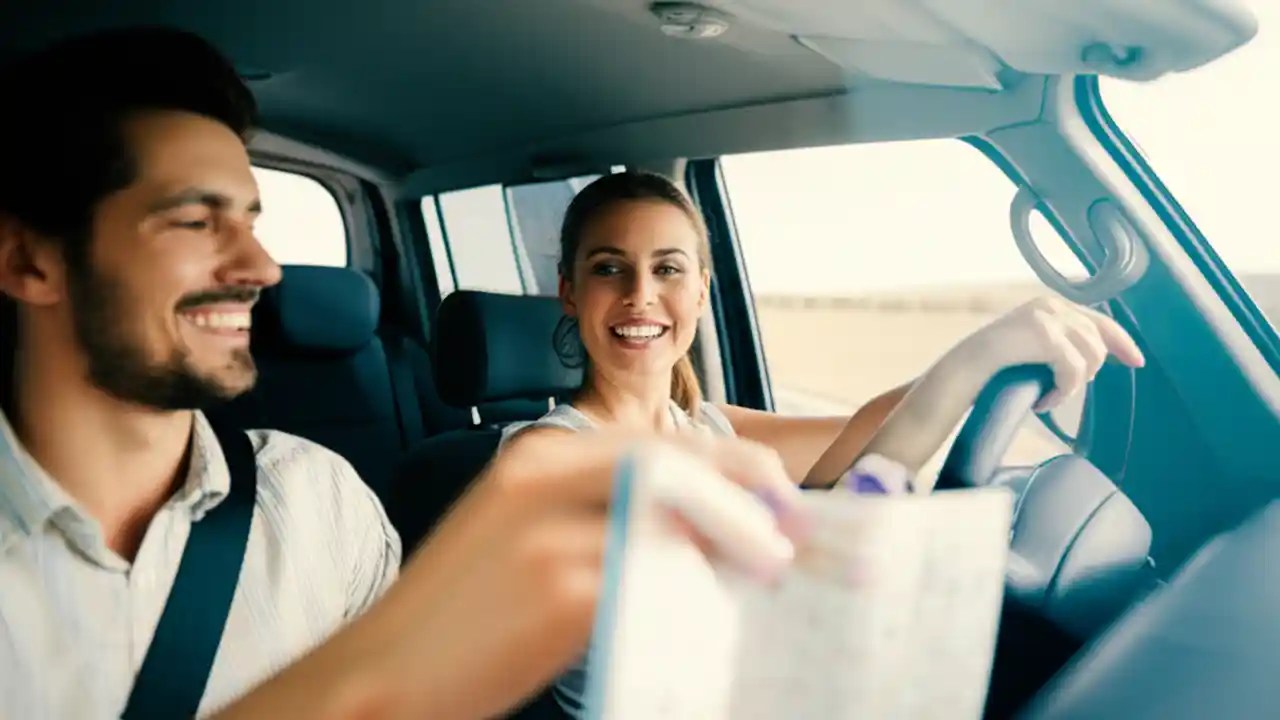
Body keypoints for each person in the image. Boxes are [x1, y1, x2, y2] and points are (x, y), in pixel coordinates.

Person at [0, 27, 804, 719]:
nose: (262, 267)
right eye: (192, 221)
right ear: (29, 260)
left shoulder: (321, 504)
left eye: (251, 221)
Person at [498, 170, 1148, 716]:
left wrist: (982, 356)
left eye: (667, 268)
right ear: (570, 291)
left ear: (701, 288)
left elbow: (864, 437)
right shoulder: (545, 457)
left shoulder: (709, 428)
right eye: (610, 268)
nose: (641, 295)